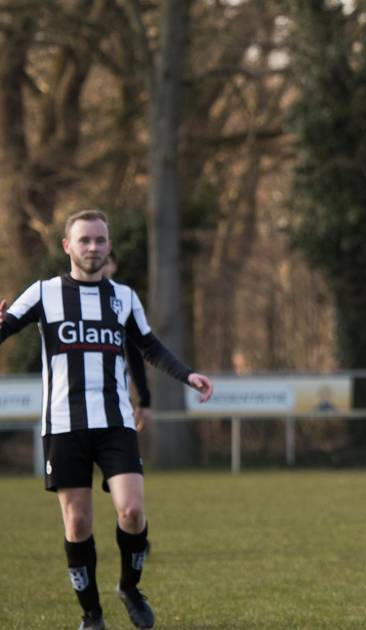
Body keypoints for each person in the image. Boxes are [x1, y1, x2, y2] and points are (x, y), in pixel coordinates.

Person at [0, 210, 215, 630]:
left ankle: (130, 588)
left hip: (115, 421)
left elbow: (149, 347)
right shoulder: (44, 293)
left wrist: (188, 375)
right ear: (67, 247)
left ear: (109, 246)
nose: (93, 248)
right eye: (85, 240)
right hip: (64, 424)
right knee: (78, 523)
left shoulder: (125, 297)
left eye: (100, 240)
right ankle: (92, 615)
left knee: (132, 511)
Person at [101, 255, 152, 432]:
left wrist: (144, 398)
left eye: (106, 261)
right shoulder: (70, 298)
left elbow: (136, 353)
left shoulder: (124, 300)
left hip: (118, 394)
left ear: (114, 266)